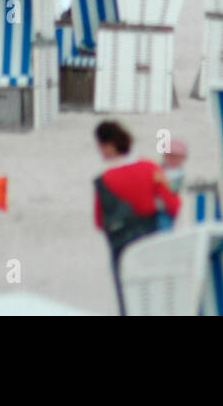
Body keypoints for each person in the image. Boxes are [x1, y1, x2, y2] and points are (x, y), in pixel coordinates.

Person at [93, 120, 178, 315]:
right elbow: (173, 204)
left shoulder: (104, 179)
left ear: (109, 146)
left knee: (128, 303)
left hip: (122, 247)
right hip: (152, 241)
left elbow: (99, 222)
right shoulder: (150, 168)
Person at [156, 139, 187, 231]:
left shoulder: (179, 173)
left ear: (182, 158)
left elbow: (173, 188)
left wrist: (161, 180)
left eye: (175, 157)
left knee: (165, 229)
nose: (172, 159)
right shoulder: (160, 168)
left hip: (168, 209)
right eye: (169, 156)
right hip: (157, 207)